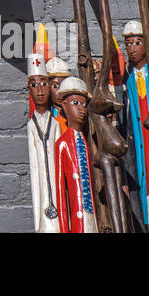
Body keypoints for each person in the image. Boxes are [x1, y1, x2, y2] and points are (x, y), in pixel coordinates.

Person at [119, 20, 149, 232]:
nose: (132, 48)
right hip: (140, 151)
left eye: (137, 42)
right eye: (128, 44)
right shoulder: (129, 82)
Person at [54, 78, 98, 233]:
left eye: (84, 104)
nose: (82, 109)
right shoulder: (62, 144)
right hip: (78, 220)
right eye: (75, 103)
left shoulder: (88, 142)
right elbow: (60, 192)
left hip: (92, 217)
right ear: (64, 105)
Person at [26, 55, 60, 233]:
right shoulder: (31, 127)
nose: (40, 91)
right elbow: (33, 169)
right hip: (42, 202)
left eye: (44, 84)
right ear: (28, 89)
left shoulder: (56, 124)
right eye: (34, 85)